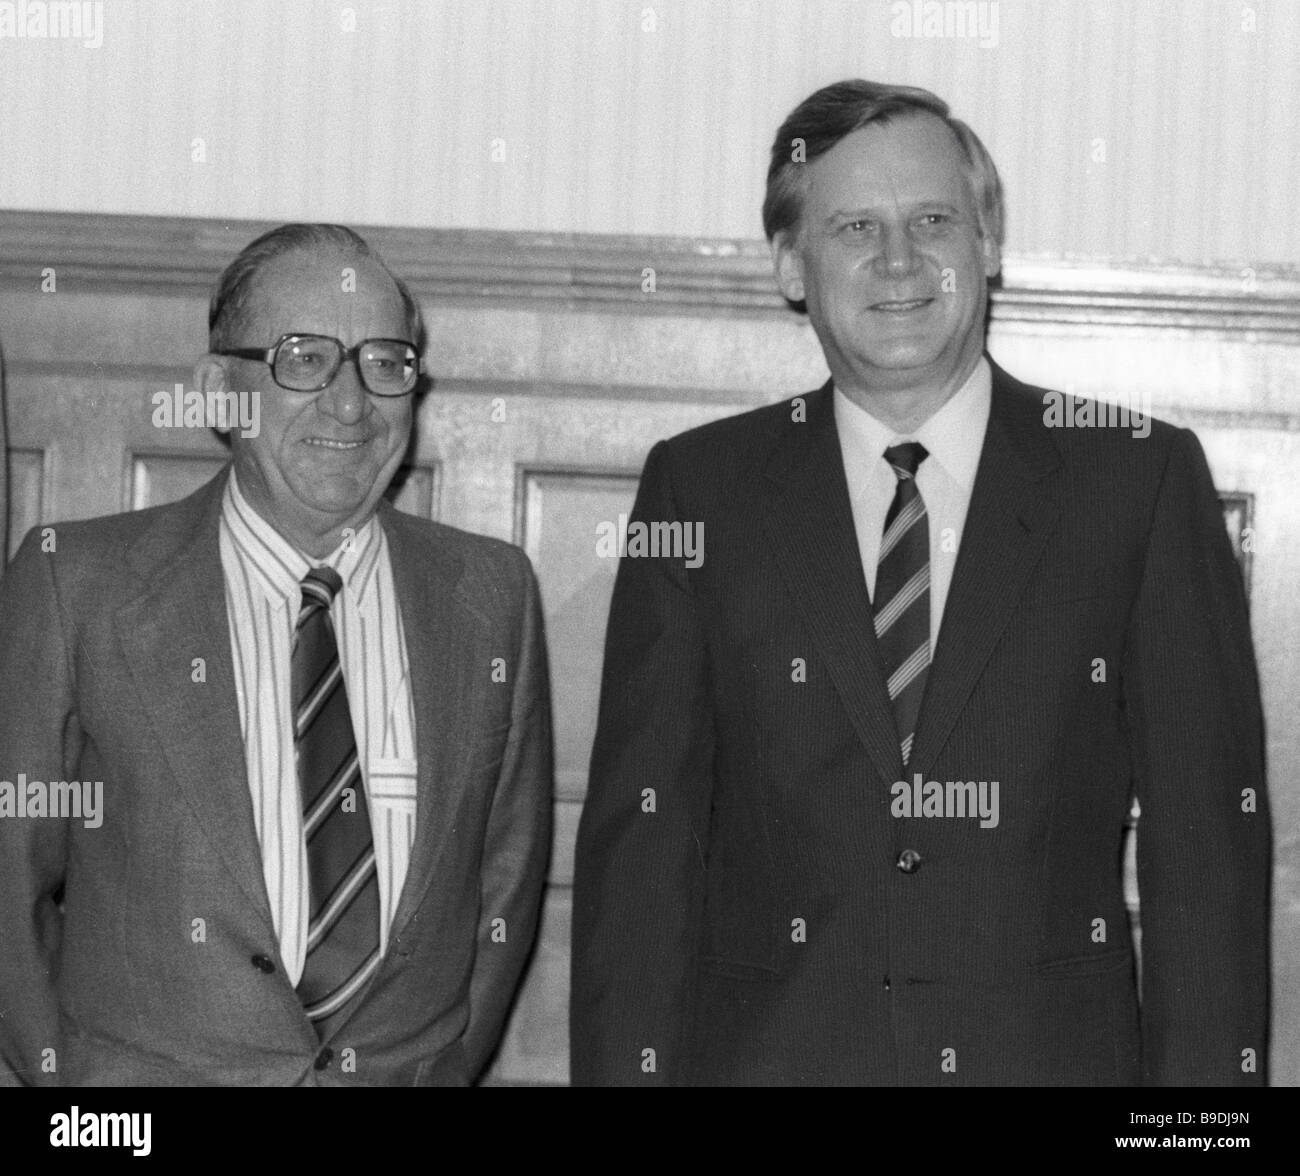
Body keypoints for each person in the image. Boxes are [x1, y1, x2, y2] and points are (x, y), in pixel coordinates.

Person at [571, 80, 1270, 1086]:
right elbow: (642, 854)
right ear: (788, 266)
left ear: (987, 243)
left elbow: (1207, 858)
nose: (898, 260)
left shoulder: (1137, 481)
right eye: (854, 225)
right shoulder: (700, 491)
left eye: (933, 220)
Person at [0, 223, 553, 1086]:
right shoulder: (78, 586)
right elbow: (8, 882)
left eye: (384, 361)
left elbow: (505, 884)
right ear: (220, 390)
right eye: (303, 359)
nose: (349, 404)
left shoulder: (491, 598)